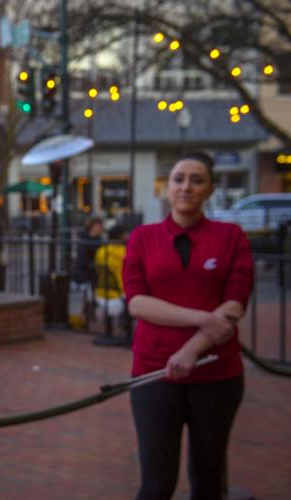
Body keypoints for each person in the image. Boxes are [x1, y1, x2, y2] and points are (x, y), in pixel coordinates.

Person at [123, 151, 254, 500]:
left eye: (197, 180)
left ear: (210, 189)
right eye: (179, 179)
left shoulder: (232, 237)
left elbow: (235, 304)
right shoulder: (142, 238)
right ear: (167, 187)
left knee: (209, 480)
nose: (186, 187)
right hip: (153, 373)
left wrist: (191, 350)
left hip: (217, 376)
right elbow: (137, 302)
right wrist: (202, 318)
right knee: (156, 484)